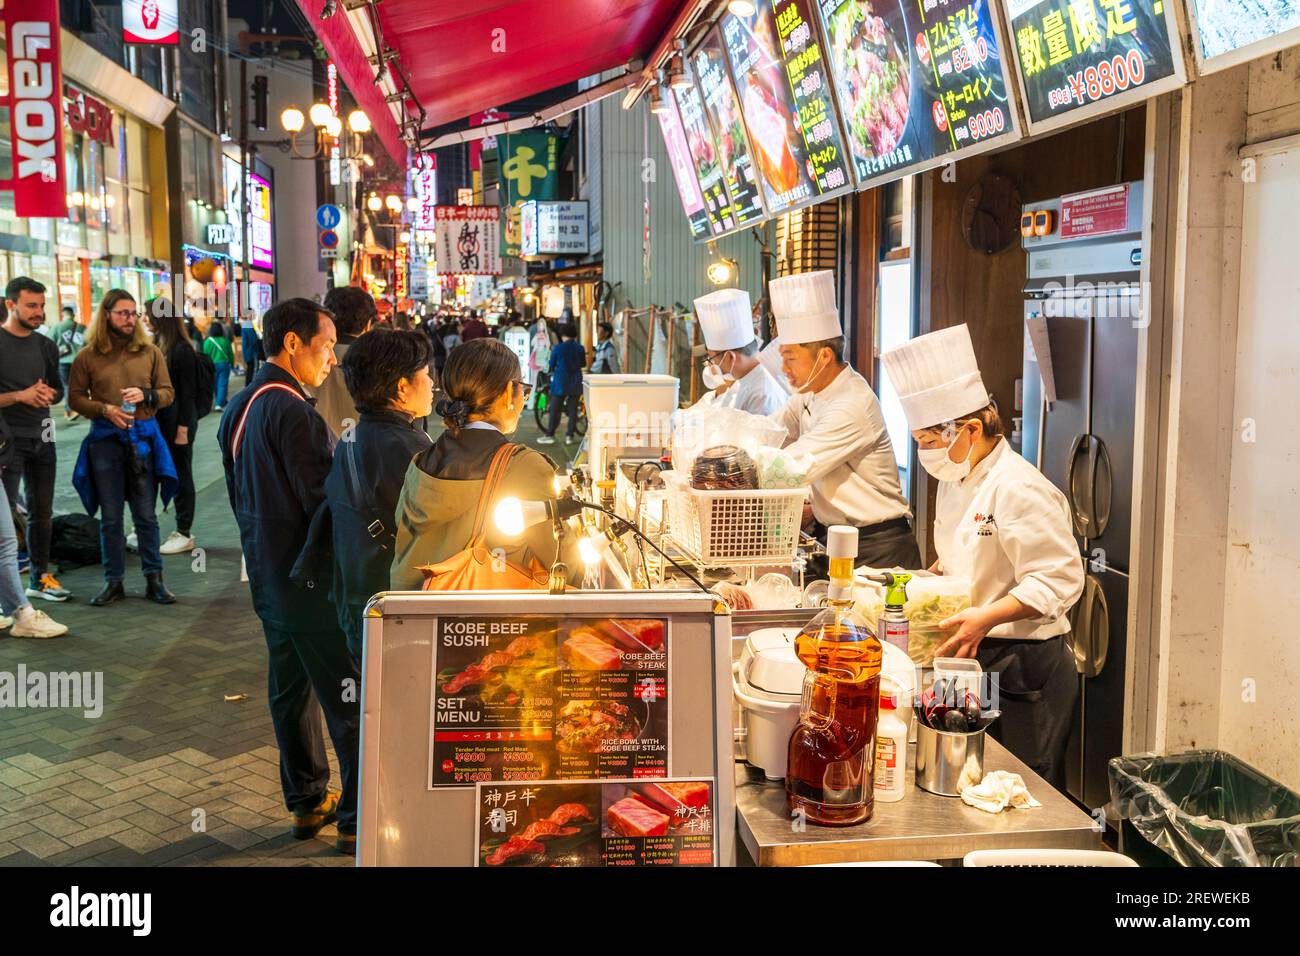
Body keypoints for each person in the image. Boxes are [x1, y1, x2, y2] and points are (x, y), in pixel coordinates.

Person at [882, 325, 1084, 789]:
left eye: (929, 441)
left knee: (1021, 789)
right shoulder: (958, 479)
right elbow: (965, 558)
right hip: (969, 653)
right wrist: (928, 581)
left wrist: (984, 619)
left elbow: (1059, 580)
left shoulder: (1019, 487)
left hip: (1022, 663)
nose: (924, 453)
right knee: (965, 781)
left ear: (971, 429)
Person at [216, 297, 359, 855]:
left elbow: (235, 494)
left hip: (268, 577)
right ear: (293, 344)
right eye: (326, 347)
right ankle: (352, 818)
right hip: (308, 582)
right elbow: (321, 504)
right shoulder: (295, 412)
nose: (332, 360)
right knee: (344, 698)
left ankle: (305, 802)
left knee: (290, 693)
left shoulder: (238, 406)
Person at [390, 338, 579, 590]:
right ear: (507, 391)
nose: (523, 397)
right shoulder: (524, 467)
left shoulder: (422, 461)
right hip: (485, 622)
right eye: (523, 388)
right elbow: (564, 563)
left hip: (415, 617)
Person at [768, 270, 920, 571]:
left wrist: (733, 468)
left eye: (790, 357)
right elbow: (770, 432)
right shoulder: (809, 393)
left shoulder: (851, 404)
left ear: (824, 356)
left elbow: (789, 467)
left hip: (878, 548)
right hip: (835, 539)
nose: (783, 368)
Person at [300, 329, 434, 659]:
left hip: (354, 595)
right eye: (427, 375)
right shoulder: (411, 450)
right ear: (402, 388)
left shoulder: (351, 437)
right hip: (394, 606)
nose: (433, 384)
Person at [68, 289, 178, 606]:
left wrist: (147, 395)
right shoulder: (87, 355)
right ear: (107, 315)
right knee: (112, 518)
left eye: (133, 313)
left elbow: (168, 392)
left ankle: (154, 580)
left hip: (142, 441)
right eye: (122, 313)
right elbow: (75, 398)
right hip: (104, 442)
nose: (130, 319)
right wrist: (104, 410)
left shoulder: (150, 352)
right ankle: (113, 581)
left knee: (146, 516)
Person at [0, 277, 70, 603]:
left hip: (44, 435)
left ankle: (40, 578)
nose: (39, 312)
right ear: (10, 304)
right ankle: (8, 595)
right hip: (7, 443)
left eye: (42, 306)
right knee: (6, 522)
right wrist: (20, 396)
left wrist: (46, 393)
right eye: (32, 306)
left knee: (42, 512)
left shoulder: (46, 345)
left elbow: (58, 389)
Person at [0, 403, 67, 637]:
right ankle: (22, 613)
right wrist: (21, 395)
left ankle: (25, 602)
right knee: (4, 540)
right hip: (12, 440)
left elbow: (56, 388)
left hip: (37, 435)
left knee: (7, 540)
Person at [146, 299, 200, 557]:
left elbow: (188, 394)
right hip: (160, 424)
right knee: (161, 473)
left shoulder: (180, 350)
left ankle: (184, 531)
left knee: (181, 474)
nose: (144, 320)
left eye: (147, 315)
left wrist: (183, 429)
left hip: (178, 423)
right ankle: (149, 527)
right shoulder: (158, 345)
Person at [692, 289, 786, 416]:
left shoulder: (762, 394)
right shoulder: (744, 379)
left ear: (730, 356)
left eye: (712, 359)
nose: (712, 364)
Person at [310, 286, 377, 440]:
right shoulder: (380, 363)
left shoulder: (306, 359)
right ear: (367, 324)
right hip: (362, 453)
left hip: (316, 449)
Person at [538, 322, 585, 446]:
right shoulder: (580, 348)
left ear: (563, 335)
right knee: (573, 409)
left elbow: (551, 365)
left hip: (561, 382)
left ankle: (550, 434)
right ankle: (569, 436)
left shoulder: (558, 348)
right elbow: (583, 364)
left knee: (555, 409)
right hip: (575, 381)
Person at [52, 305, 85, 420]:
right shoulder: (81, 327)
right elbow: (88, 343)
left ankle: (70, 411)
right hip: (78, 361)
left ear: (63, 315)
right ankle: (79, 408)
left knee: (67, 386)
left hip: (63, 361)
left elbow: (49, 342)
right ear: (73, 315)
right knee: (78, 386)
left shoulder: (57, 327)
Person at [203, 320, 235, 410]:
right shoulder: (225, 341)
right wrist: (232, 364)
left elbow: (205, 355)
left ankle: (219, 400)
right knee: (222, 383)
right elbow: (230, 354)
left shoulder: (207, 342)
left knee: (215, 383)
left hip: (212, 365)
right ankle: (220, 403)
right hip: (224, 364)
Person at [239, 313, 262, 382]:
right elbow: (253, 340)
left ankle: (248, 388)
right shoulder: (248, 325)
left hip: (248, 352)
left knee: (250, 372)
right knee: (252, 372)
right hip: (252, 352)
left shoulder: (246, 325)